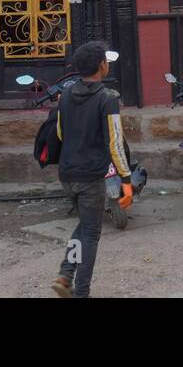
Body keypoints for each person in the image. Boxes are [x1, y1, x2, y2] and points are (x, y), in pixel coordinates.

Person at [51, 41, 131, 299]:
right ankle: (81, 292)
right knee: (92, 235)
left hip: (67, 174)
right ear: (102, 66)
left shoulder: (65, 97)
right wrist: (126, 180)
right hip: (91, 176)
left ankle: (65, 274)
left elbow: (61, 133)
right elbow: (115, 142)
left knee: (84, 225)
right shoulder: (107, 99)